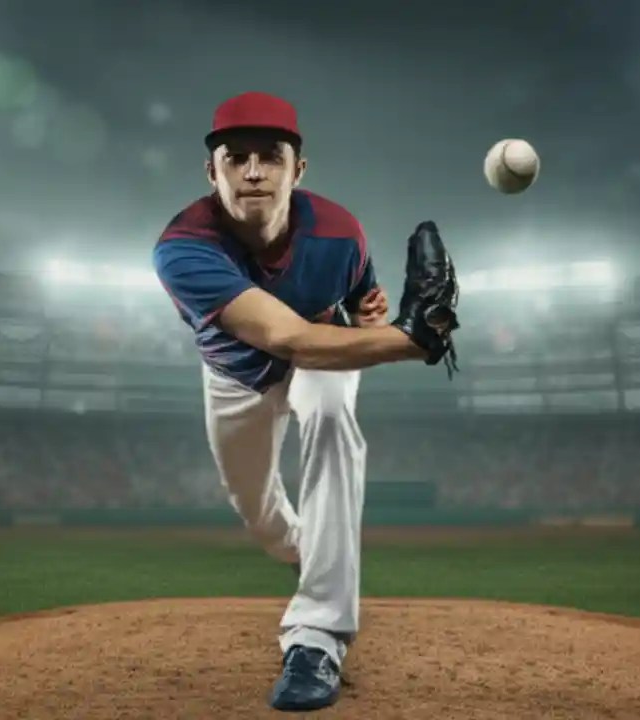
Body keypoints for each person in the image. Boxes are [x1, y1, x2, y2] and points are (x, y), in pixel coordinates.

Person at [152, 91, 459, 712]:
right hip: (236, 380)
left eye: (272, 155)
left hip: (320, 359)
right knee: (264, 521)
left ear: (300, 168)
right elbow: (282, 335)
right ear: (212, 172)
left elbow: (359, 309)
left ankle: (317, 634)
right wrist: (413, 338)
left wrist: (370, 318)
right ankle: (311, 555)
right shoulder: (184, 247)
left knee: (328, 412)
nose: (255, 171)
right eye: (236, 158)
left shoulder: (342, 234)